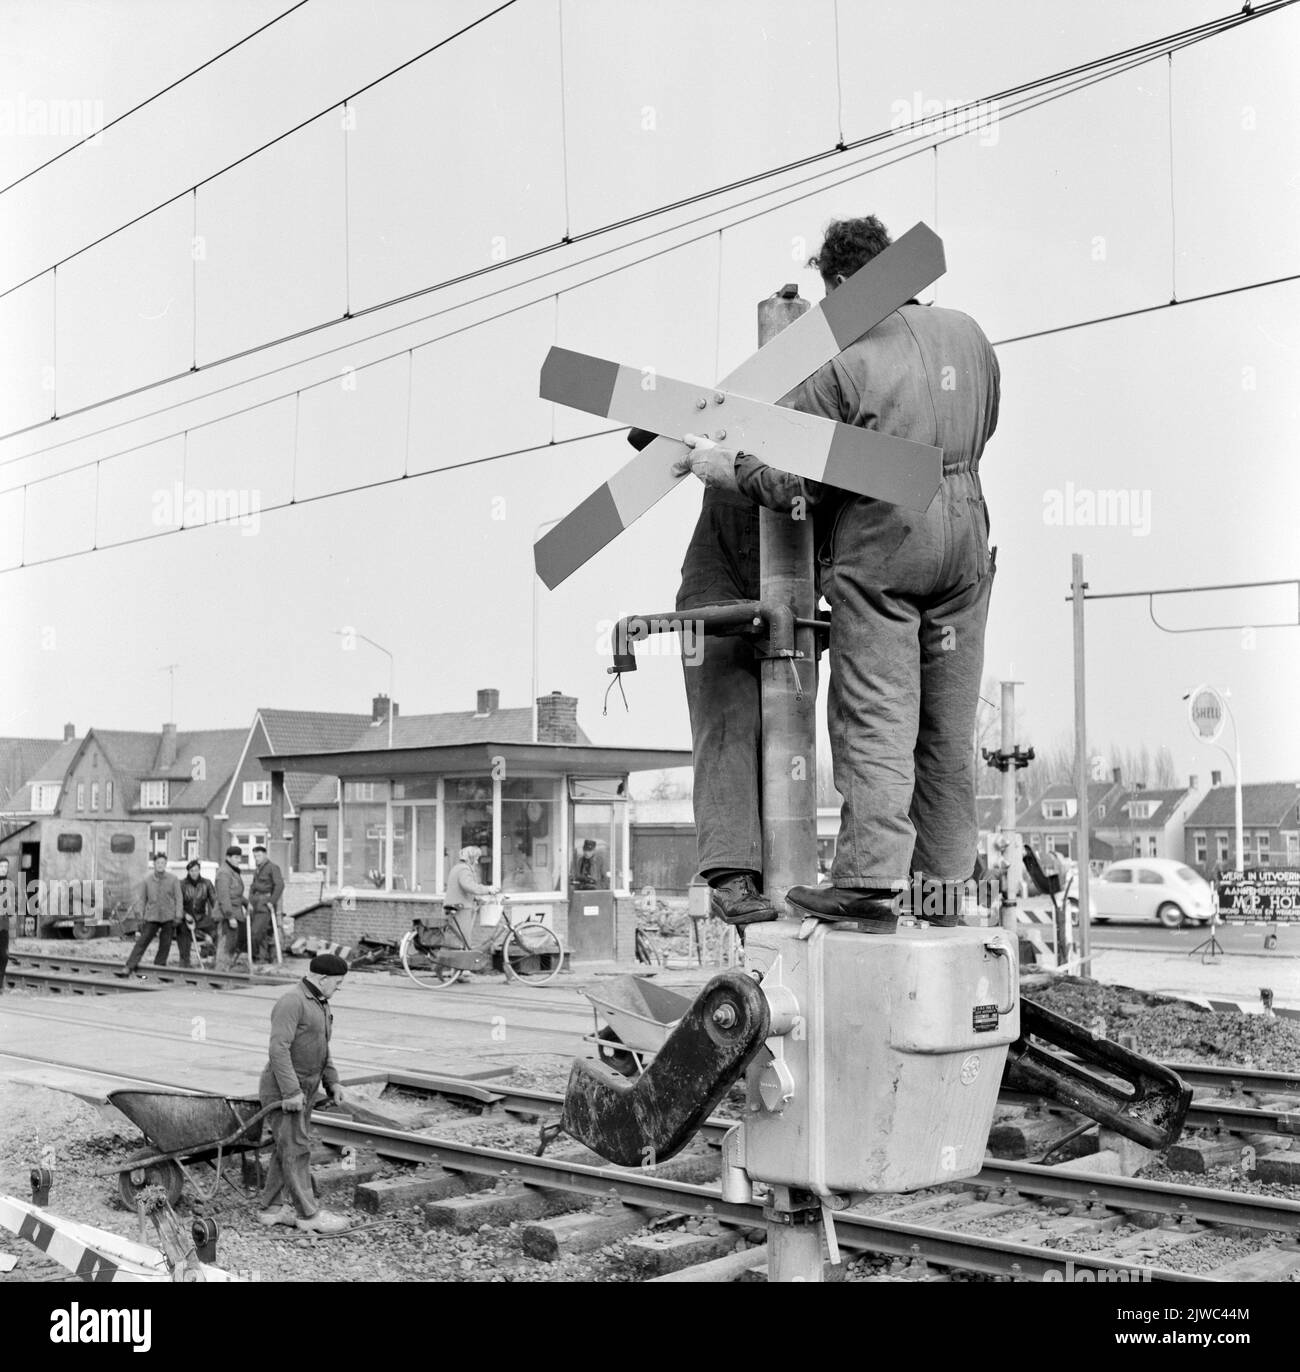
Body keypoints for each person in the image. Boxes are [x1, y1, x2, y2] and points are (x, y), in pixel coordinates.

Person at [674, 214, 1000, 933]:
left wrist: (729, 467)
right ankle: (941, 896)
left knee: (875, 714)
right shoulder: (970, 336)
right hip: (967, 533)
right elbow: (982, 425)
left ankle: (869, 885)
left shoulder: (842, 360)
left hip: (886, 544)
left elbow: (795, 482)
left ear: (844, 284)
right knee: (945, 728)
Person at [255, 952, 351, 1235]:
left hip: (304, 1089)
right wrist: (291, 1091)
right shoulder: (292, 1002)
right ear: (322, 979)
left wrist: (332, 1082)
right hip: (285, 1091)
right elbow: (278, 1049)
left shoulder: (320, 1003)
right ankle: (309, 1215)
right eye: (337, 983)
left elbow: (322, 1047)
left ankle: (270, 1210)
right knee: (297, 1149)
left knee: (285, 1148)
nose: (338, 988)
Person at [118, 853, 183, 975]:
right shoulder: (147, 880)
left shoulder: (173, 879)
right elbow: (142, 899)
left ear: (166, 864)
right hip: (152, 916)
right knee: (142, 941)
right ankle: (129, 966)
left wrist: (178, 915)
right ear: (154, 865)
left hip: (168, 917)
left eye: (163, 863)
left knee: (165, 943)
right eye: (158, 863)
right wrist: (140, 916)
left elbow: (179, 898)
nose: (160, 865)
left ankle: (159, 967)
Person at [443, 846, 498, 950]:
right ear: (471, 858)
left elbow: (460, 888)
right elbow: (469, 886)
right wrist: (488, 889)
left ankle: (451, 963)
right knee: (464, 939)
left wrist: (476, 898)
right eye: (476, 858)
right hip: (460, 908)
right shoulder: (464, 869)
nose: (477, 862)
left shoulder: (457, 867)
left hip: (454, 906)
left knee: (455, 938)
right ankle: (461, 964)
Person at [248, 844, 285, 966]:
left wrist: (271, 901)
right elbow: (253, 886)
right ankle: (261, 958)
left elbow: (279, 885)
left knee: (256, 931)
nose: (256, 858)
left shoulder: (273, 868)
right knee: (262, 932)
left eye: (258, 855)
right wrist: (249, 901)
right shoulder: (257, 869)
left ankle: (259, 956)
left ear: (265, 855)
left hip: (265, 904)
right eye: (254, 856)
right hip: (255, 904)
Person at [214, 845, 248, 971]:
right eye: (236, 857)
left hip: (235, 913)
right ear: (228, 857)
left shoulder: (232, 871)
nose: (238, 860)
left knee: (232, 944)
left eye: (240, 857)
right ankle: (221, 973)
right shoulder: (224, 873)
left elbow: (235, 893)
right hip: (226, 915)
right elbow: (224, 897)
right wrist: (230, 916)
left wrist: (246, 903)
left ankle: (225, 971)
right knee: (226, 945)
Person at [178, 859, 217, 968]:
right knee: (183, 932)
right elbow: (177, 904)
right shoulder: (181, 884)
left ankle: (212, 956)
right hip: (187, 918)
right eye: (191, 871)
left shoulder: (207, 883)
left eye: (196, 870)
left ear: (199, 870)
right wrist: (185, 914)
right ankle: (185, 961)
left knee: (217, 929)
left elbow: (214, 901)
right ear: (188, 872)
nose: (194, 873)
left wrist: (217, 915)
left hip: (201, 917)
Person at [0, 856, 12, 994]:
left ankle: (0, 985)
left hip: (3, 925)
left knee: (3, 955)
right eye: (1, 867)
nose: (4, 869)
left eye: (5, 867)